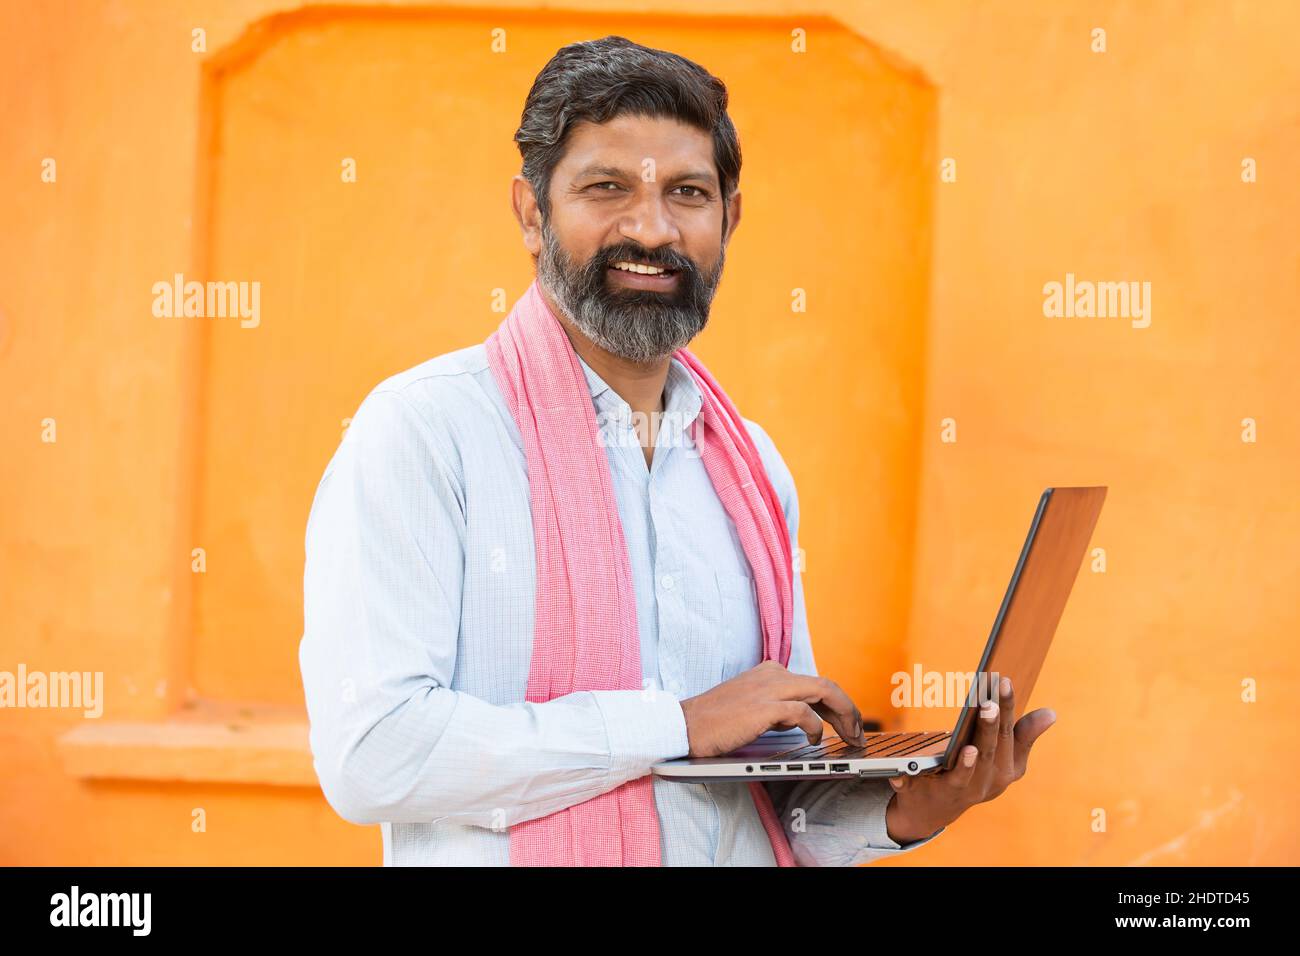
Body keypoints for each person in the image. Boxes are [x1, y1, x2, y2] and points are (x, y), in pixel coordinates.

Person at [298, 34, 1054, 866]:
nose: (651, 229)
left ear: (728, 218)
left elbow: (763, 797)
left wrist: (912, 807)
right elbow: (374, 754)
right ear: (530, 211)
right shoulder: (427, 433)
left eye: (688, 193)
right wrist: (678, 725)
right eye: (607, 187)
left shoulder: (749, 465)